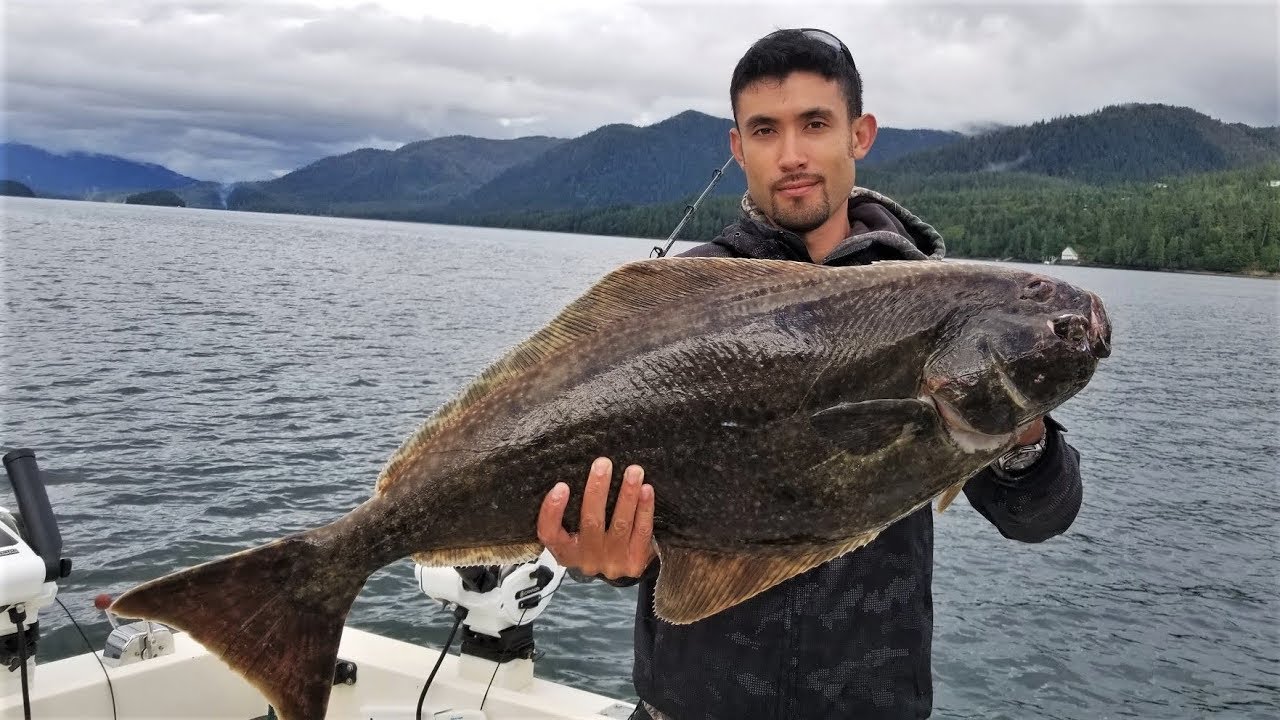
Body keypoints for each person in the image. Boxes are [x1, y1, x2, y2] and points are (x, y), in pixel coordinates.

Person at [536, 28, 1083, 720]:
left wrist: (1023, 432)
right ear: (738, 148)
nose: (791, 156)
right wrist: (609, 557)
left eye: (815, 124)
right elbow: (644, 544)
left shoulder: (944, 304)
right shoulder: (684, 298)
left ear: (860, 134)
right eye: (765, 130)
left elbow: (1039, 517)